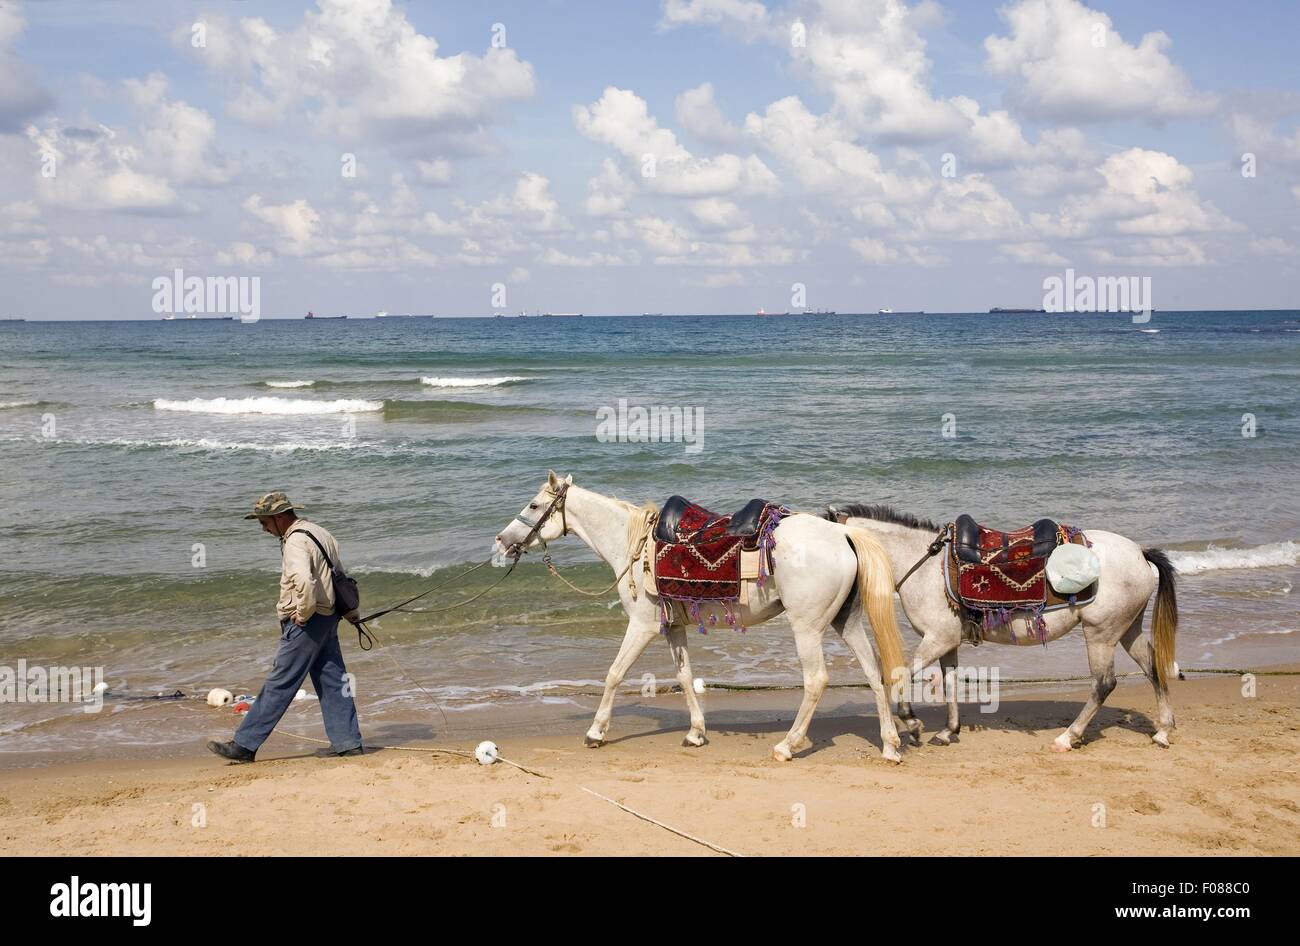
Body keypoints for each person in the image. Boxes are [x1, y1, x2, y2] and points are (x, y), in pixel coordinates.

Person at [207, 491, 363, 762]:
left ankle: (244, 745)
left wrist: (302, 614)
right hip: (328, 618)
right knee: (333, 681)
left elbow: (304, 581)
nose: (263, 528)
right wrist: (351, 611)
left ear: (280, 518)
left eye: (264, 522)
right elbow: (339, 576)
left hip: (308, 623)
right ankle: (348, 743)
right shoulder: (320, 532)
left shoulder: (294, 541)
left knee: (280, 681)